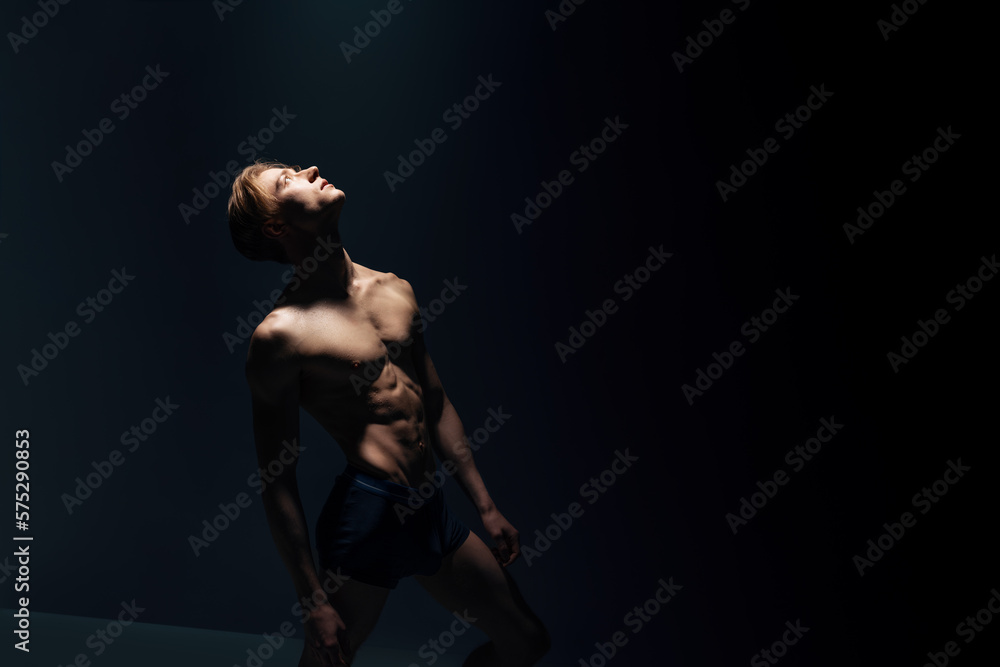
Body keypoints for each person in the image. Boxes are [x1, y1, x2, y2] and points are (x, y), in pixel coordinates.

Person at [227, 161, 550, 666]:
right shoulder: (280, 335)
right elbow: (277, 477)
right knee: (327, 663)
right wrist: (312, 598)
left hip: (430, 511)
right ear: (275, 227)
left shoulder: (395, 288)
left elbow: (436, 402)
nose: (310, 169)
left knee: (526, 641)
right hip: (369, 516)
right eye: (287, 180)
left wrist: (484, 505)